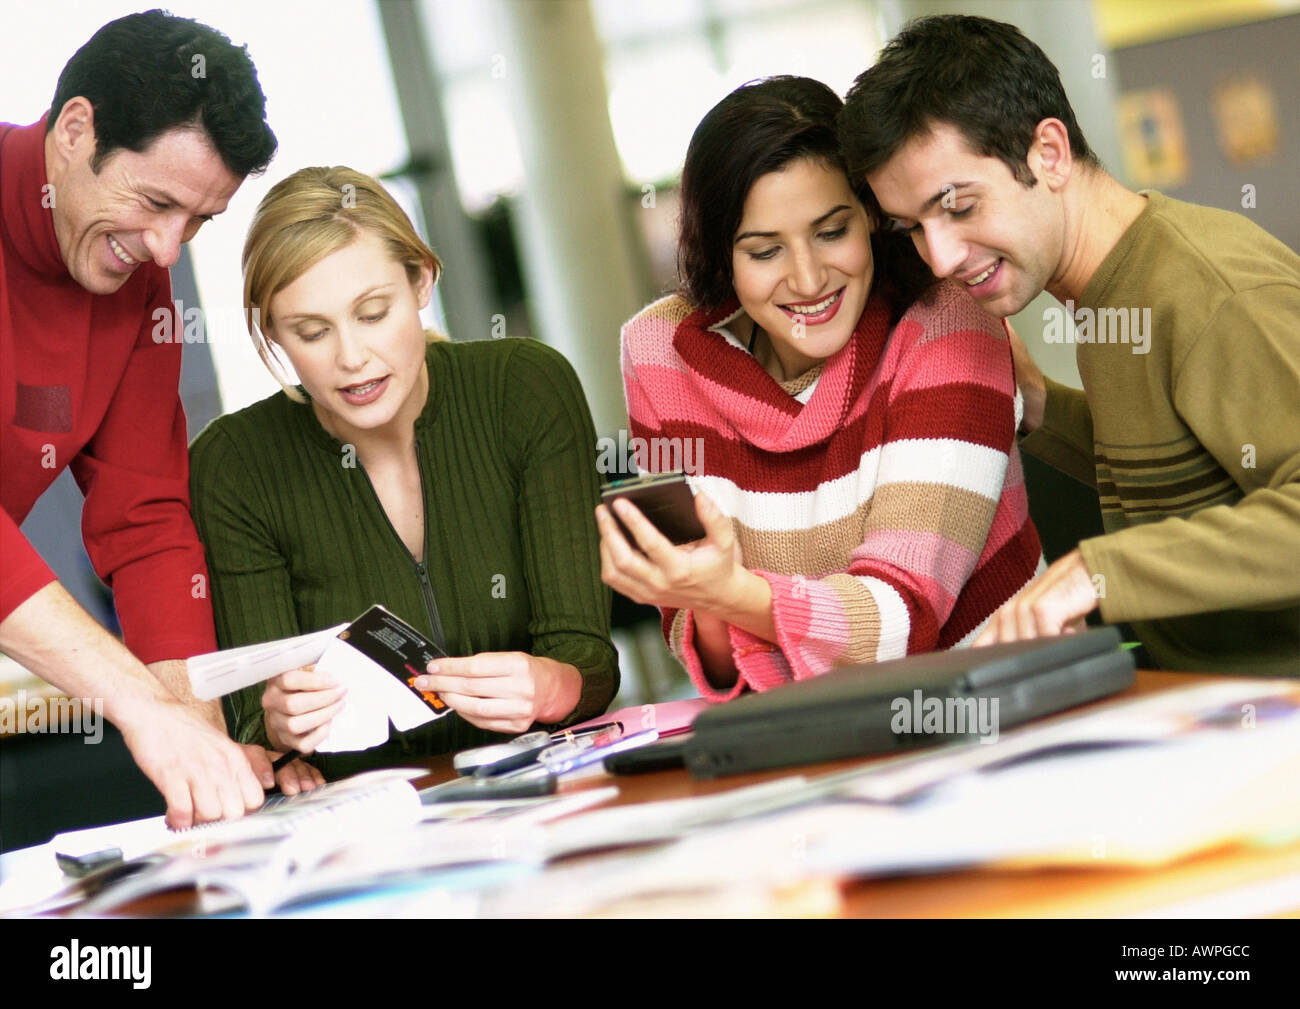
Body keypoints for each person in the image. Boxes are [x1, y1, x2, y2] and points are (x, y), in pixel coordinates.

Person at [841, 15, 1300, 674]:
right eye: (914, 226)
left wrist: (1100, 570)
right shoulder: (1108, 288)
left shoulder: (1209, 289)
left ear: (1048, 153)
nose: (939, 256)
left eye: (959, 206)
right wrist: (1040, 407)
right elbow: (1190, 470)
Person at [597, 77, 1043, 701]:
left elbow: (901, 623)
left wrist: (732, 593)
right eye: (764, 251)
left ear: (872, 217)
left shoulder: (949, 324)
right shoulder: (661, 354)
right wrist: (696, 590)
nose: (808, 279)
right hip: (811, 735)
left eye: (832, 232)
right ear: (722, 257)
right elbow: (706, 643)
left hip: (994, 714)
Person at [188, 166, 618, 776]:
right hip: (369, 819)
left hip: (545, 785)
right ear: (273, 333)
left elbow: (589, 661)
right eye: (312, 332)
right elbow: (256, 721)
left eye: (372, 313)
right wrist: (279, 732)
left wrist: (551, 685)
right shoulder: (234, 466)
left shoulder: (523, 389)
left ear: (421, 280)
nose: (352, 358)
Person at [0, 10, 314, 828]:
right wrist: (146, 709)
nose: (169, 250)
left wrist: (204, 745)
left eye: (200, 221)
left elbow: (144, 522)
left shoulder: (136, 280)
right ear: (76, 131)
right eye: (156, 201)